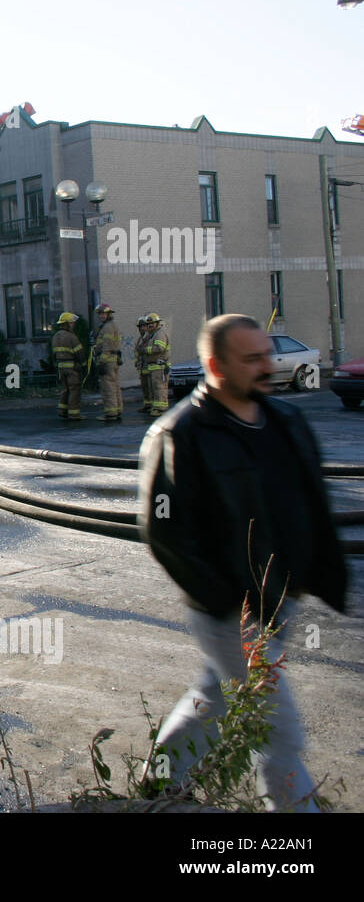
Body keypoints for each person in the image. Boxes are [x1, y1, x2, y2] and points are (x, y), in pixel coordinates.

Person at [138, 314, 347, 810]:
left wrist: (325, 571)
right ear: (216, 364)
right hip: (232, 608)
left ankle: (158, 783)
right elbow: (162, 527)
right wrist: (223, 599)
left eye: (266, 355)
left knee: (214, 698)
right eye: (250, 359)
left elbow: (313, 499)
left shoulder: (285, 421)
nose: (265, 367)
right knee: (280, 732)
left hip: (281, 599)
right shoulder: (180, 434)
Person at [91, 304, 123, 422]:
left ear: (109, 314)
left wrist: (102, 362)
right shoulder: (110, 325)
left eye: (103, 314)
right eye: (100, 314)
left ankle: (110, 413)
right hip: (112, 360)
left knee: (108, 387)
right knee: (114, 386)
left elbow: (107, 345)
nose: (101, 316)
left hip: (107, 361)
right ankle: (117, 410)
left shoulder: (108, 327)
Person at [51, 312, 85, 420]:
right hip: (72, 369)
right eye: (71, 323)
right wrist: (84, 365)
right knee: (74, 389)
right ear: (66, 324)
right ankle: (74, 414)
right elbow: (79, 353)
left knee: (65, 389)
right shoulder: (72, 337)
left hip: (61, 368)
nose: (73, 324)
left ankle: (62, 411)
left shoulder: (55, 336)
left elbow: (53, 355)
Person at [142, 313, 171, 416]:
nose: (150, 325)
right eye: (148, 323)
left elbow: (159, 348)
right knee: (155, 388)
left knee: (160, 388)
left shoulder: (160, 334)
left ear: (157, 323)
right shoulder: (152, 334)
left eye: (152, 323)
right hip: (154, 367)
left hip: (160, 366)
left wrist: (146, 350)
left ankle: (161, 409)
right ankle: (157, 407)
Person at [134, 316, 151, 412]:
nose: (141, 329)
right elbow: (137, 352)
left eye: (143, 326)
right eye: (140, 327)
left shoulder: (150, 337)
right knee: (145, 387)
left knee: (151, 387)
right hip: (142, 367)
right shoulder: (140, 338)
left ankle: (153, 405)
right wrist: (136, 362)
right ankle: (147, 405)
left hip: (149, 366)